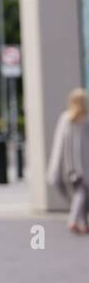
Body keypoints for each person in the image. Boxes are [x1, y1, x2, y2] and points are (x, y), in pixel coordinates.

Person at [48, 88, 89, 234]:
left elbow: (59, 145)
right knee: (82, 193)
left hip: (66, 166)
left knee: (80, 194)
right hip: (83, 167)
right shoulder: (85, 120)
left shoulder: (65, 118)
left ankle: (82, 222)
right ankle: (74, 219)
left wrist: (55, 167)